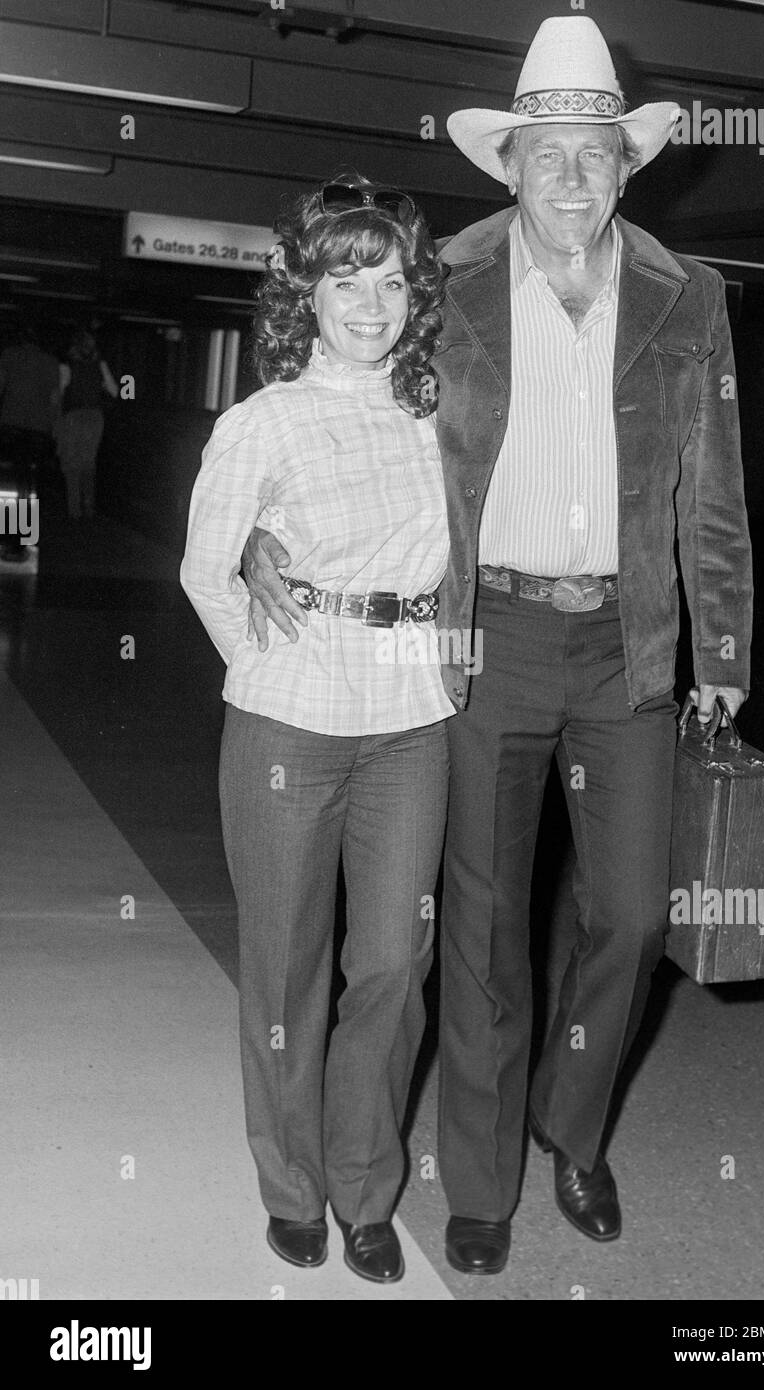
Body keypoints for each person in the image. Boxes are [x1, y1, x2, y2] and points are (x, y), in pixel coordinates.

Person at [242, 15, 754, 1275]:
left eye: (593, 152)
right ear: (509, 164)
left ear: (624, 167)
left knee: (631, 916)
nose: (570, 177)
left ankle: (570, 1127)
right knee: (475, 927)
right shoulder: (447, 280)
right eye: (546, 153)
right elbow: (329, 367)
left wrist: (724, 654)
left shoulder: (693, 302)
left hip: (628, 647)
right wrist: (261, 520)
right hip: (485, 638)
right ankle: (482, 1178)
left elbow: (715, 495)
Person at [180, 176, 452, 1284]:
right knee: (286, 966)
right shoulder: (263, 419)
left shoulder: (441, 412)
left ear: (414, 296)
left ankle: (365, 1187)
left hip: (411, 716)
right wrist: (261, 659)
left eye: (390, 280)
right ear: (308, 293)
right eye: (348, 279)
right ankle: (291, 1186)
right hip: (291, 717)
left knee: (392, 963)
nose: (372, 302)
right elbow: (204, 566)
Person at [0, 320, 60, 559]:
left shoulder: (8, 356)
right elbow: (55, 399)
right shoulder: (51, 362)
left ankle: (9, 534)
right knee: (31, 481)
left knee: (11, 480)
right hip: (38, 428)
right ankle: (26, 534)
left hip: (11, 424)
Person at [56, 329, 118, 520]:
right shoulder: (100, 364)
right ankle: (88, 506)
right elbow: (115, 391)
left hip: (73, 415)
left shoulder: (67, 363)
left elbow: (60, 389)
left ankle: (74, 509)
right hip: (95, 416)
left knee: (71, 463)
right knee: (88, 462)